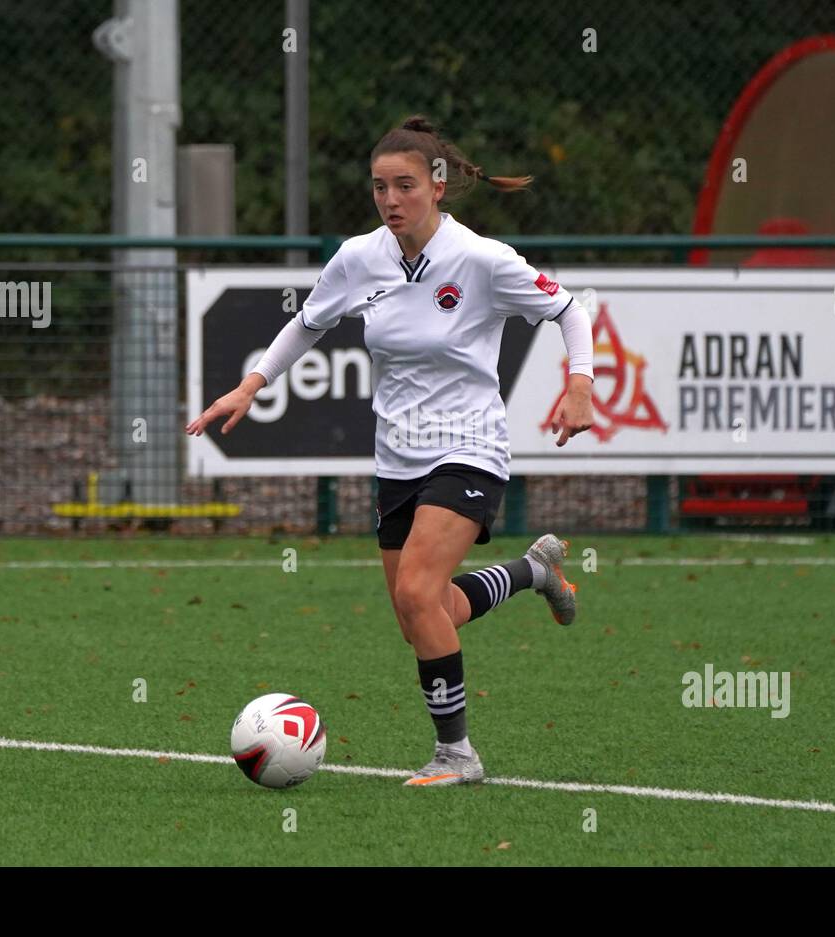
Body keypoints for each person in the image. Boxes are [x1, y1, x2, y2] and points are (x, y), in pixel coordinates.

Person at [187, 115, 595, 786]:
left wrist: (579, 385)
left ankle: (457, 756)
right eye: (379, 187)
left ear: (437, 186)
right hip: (397, 458)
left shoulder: (483, 260)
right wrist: (249, 387)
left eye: (404, 185)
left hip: (469, 446)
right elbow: (307, 323)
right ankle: (533, 572)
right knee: (423, 615)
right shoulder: (359, 256)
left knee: (415, 592)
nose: (390, 200)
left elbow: (568, 310)